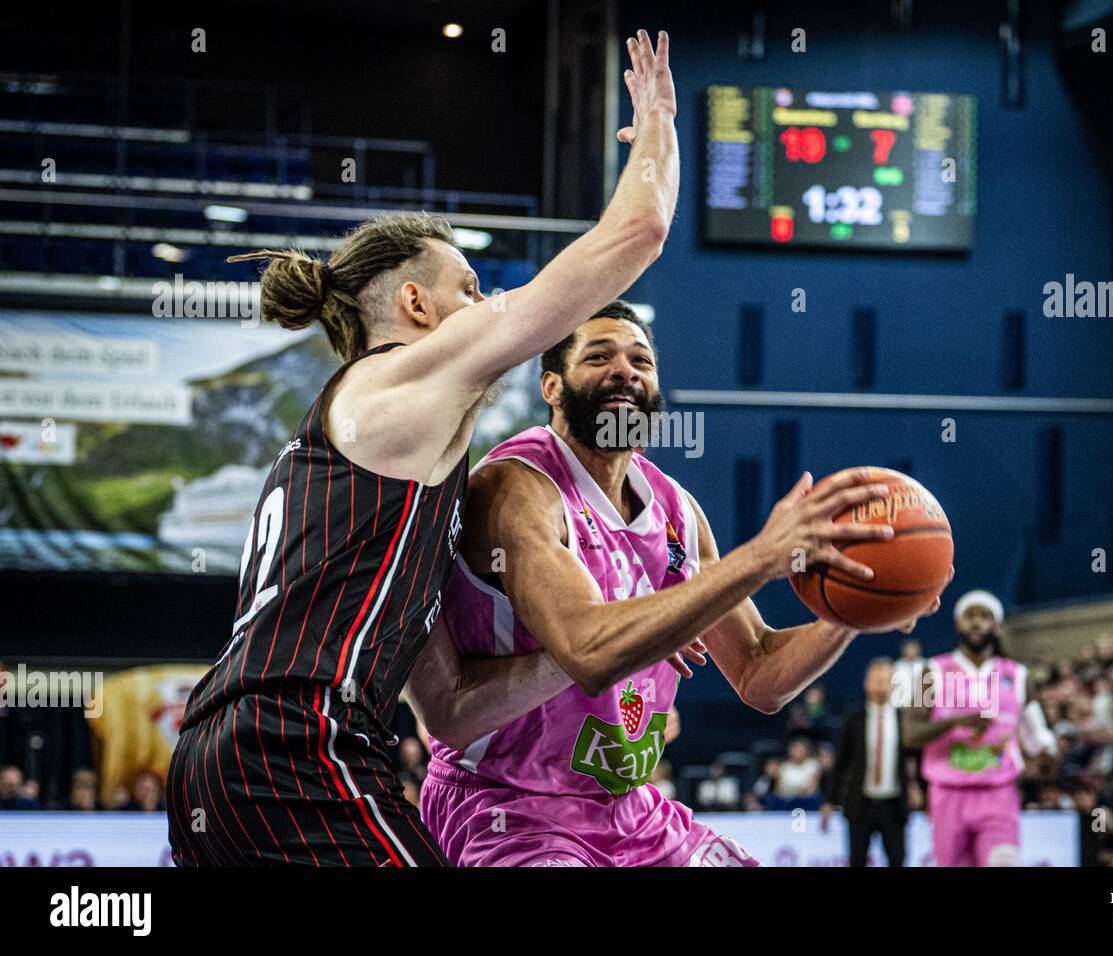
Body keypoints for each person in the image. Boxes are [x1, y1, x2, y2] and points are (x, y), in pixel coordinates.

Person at [167, 28, 683, 867]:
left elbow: (449, 709)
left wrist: (611, 637)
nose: (488, 307)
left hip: (223, 758)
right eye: (469, 291)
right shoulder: (405, 379)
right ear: (413, 302)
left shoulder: (371, 459)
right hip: (298, 749)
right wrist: (657, 121)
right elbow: (639, 233)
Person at [416, 302, 947, 867]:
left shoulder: (677, 509)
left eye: (641, 360)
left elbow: (760, 674)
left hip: (629, 809)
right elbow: (589, 652)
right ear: (551, 385)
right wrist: (760, 558)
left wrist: (852, 608)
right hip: (509, 806)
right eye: (599, 356)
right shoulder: (515, 489)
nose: (625, 370)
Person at [903, 590, 1056, 867]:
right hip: (947, 794)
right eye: (970, 616)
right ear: (958, 623)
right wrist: (955, 722)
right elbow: (911, 735)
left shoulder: (1017, 676)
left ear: (996, 625)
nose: (976, 623)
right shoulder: (932, 672)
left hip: (999, 792)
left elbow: (1039, 740)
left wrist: (1048, 755)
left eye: (985, 616)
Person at [822, 658, 908, 866]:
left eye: (885, 680)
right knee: (857, 860)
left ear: (893, 684)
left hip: (893, 805)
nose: (880, 685)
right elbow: (841, 761)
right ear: (866, 683)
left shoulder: (903, 719)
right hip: (860, 804)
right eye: (875, 680)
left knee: (897, 859)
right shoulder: (854, 719)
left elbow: (916, 759)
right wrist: (829, 801)